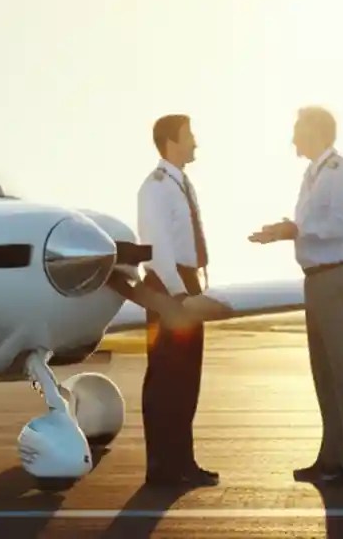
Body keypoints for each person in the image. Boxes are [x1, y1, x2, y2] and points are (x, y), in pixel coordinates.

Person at [249, 106, 343, 487]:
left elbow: (342, 225)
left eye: (298, 129)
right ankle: (332, 458)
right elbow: (312, 226)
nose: (293, 137)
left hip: (338, 277)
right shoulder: (314, 175)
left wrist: (295, 228)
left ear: (316, 131)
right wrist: (287, 230)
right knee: (325, 374)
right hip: (318, 280)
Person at [136, 113, 220, 487]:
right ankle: (162, 468)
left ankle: (182, 463)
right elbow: (157, 248)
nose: (195, 142)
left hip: (185, 282)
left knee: (186, 378)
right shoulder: (155, 187)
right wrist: (179, 294)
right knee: (166, 378)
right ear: (172, 141)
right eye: (189, 135)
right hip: (169, 288)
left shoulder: (181, 184)